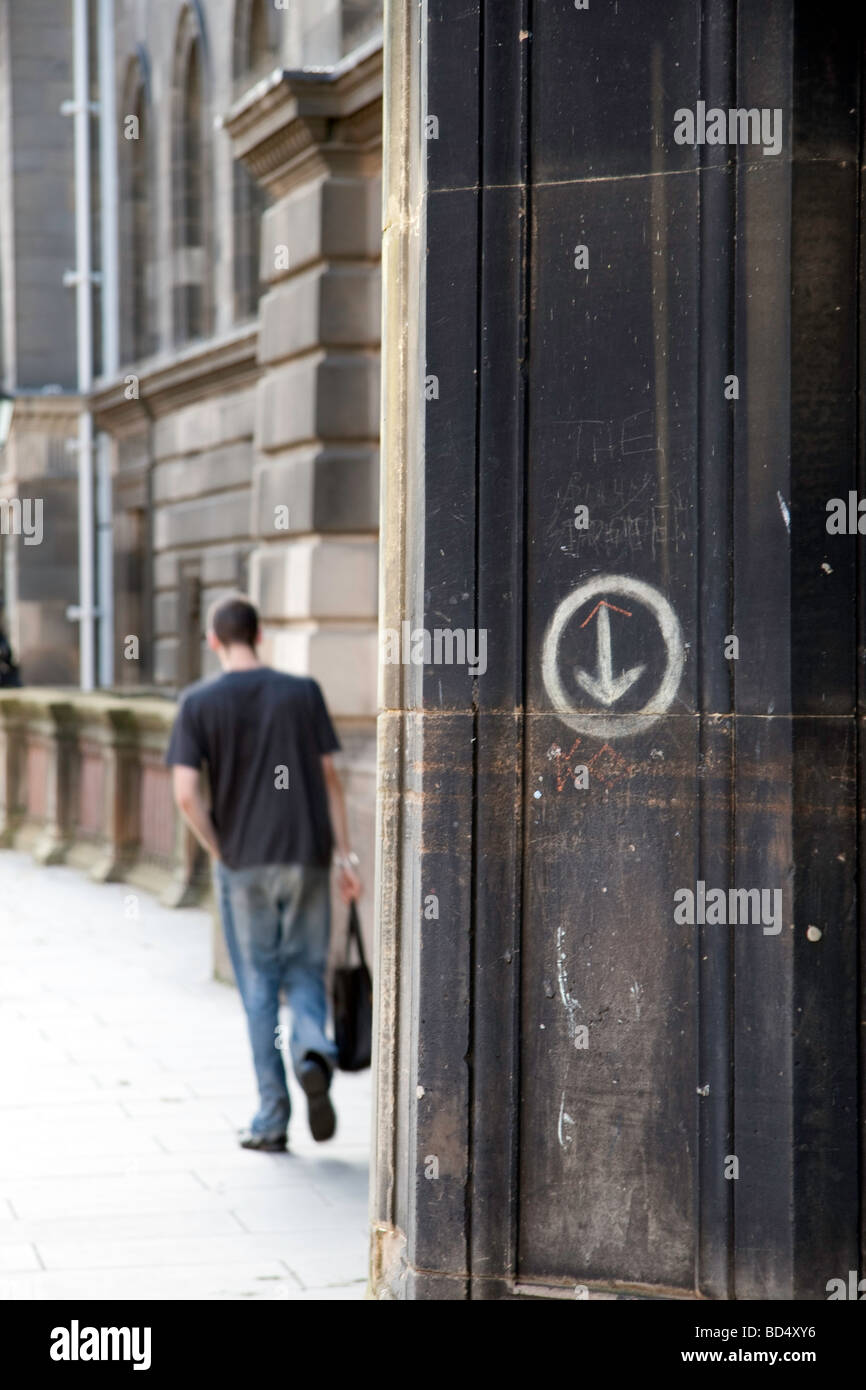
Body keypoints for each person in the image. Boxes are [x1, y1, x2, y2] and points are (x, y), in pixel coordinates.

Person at [166, 593, 361, 1152]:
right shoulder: (303, 693)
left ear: (213, 640)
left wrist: (218, 847)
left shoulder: (198, 702)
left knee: (258, 986)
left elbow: (185, 795)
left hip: (243, 861)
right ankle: (312, 1050)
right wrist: (345, 856)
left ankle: (272, 1117)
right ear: (259, 635)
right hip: (307, 853)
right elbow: (329, 778)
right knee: (305, 969)